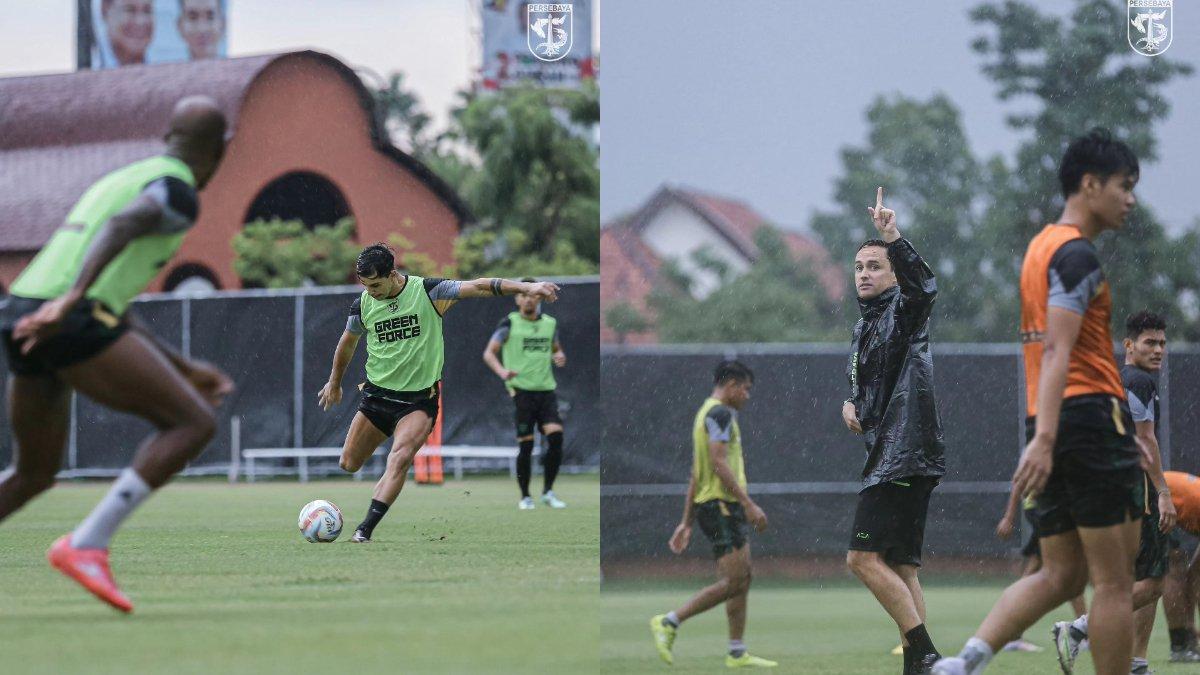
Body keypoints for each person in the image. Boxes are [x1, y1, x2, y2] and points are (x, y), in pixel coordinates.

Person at [0, 96, 231, 612]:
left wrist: (185, 366)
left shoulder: (121, 176)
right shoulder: (177, 191)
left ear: (168, 136)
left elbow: (116, 307)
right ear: (221, 150)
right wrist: (73, 300)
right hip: (65, 317)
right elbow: (127, 225)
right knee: (192, 425)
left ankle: (84, 545)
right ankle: (86, 545)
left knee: (33, 473)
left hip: (21, 312)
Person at [933, 128, 1146, 675]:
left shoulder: (1040, 248)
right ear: (1090, 184)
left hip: (1048, 417)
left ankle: (963, 664)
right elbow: (1058, 349)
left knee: (1060, 575)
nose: (1131, 198)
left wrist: (1042, 433)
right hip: (1090, 420)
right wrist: (1051, 438)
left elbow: (1045, 351)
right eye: (1124, 185)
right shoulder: (1078, 255)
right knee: (1115, 581)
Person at [317, 244, 560, 543]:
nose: (371, 292)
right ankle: (362, 523)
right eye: (365, 286)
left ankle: (364, 530)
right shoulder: (363, 305)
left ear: (393, 274)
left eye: (376, 285)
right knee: (349, 464)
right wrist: (335, 382)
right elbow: (348, 343)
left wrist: (527, 286)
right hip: (377, 397)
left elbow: (480, 286)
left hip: (418, 401)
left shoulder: (429, 292)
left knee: (400, 457)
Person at [841, 187, 945, 675]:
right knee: (902, 568)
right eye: (860, 267)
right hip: (897, 452)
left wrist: (892, 236)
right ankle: (917, 668)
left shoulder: (902, 309)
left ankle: (925, 654)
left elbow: (925, 288)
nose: (864, 274)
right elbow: (877, 391)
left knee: (861, 559)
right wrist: (854, 406)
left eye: (874, 266)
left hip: (900, 457)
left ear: (893, 274)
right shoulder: (867, 324)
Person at [1052, 311, 1176, 674]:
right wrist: (1162, 491)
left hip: (1111, 488)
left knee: (1141, 578)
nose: (1158, 350)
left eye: (1163, 343)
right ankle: (1079, 629)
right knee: (1153, 584)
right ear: (1129, 345)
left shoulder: (1119, 378)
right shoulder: (1138, 380)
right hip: (1136, 490)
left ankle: (1136, 662)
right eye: (1150, 342)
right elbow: (1145, 439)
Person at [649, 361, 777, 669]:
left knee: (743, 578)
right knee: (734, 581)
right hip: (721, 505)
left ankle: (736, 651)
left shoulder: (704, 412)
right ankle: (670, 621)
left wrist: (686, 521)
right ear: (731, 384)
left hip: (715, 505)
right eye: (745, 389)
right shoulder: (719, 413)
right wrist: (748, 504)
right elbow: (719, 464)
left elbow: (697, 472)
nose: (747, 396)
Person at [482, 278, 568, 509]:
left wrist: (559, 356)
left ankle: (548, 492)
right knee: (527, 446)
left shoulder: (550, 324)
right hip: (522, 393)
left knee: (556, 438)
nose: (528, 298)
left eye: (533, 295)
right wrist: (502, 372)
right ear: (517, 298)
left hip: (546, 391)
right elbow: (489, 353)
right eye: (524, 294)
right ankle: (525, 496)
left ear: (539, 297)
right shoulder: (509, 324)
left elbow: (557, 350)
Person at [994, 490, 1086, 653]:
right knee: (1070, 570)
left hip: (1044, 507)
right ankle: (1086, 635)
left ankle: (1011, 636)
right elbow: (1019, 479)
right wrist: (1008, 517)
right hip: (1046, 507)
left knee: (1036, 573)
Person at [1163, 471, 1200, 661]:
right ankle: (1180, 646)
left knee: (1179, 569)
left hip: (1162, 490)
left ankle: (1185, 643)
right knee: (1172, 571)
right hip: (1159, 499)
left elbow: (1195, 577)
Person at [100, 0, 154, 66]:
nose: (140, 21)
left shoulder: (162, 64)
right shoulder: (89, 65)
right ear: (105, 9)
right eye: (130, 10)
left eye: (147, 10)